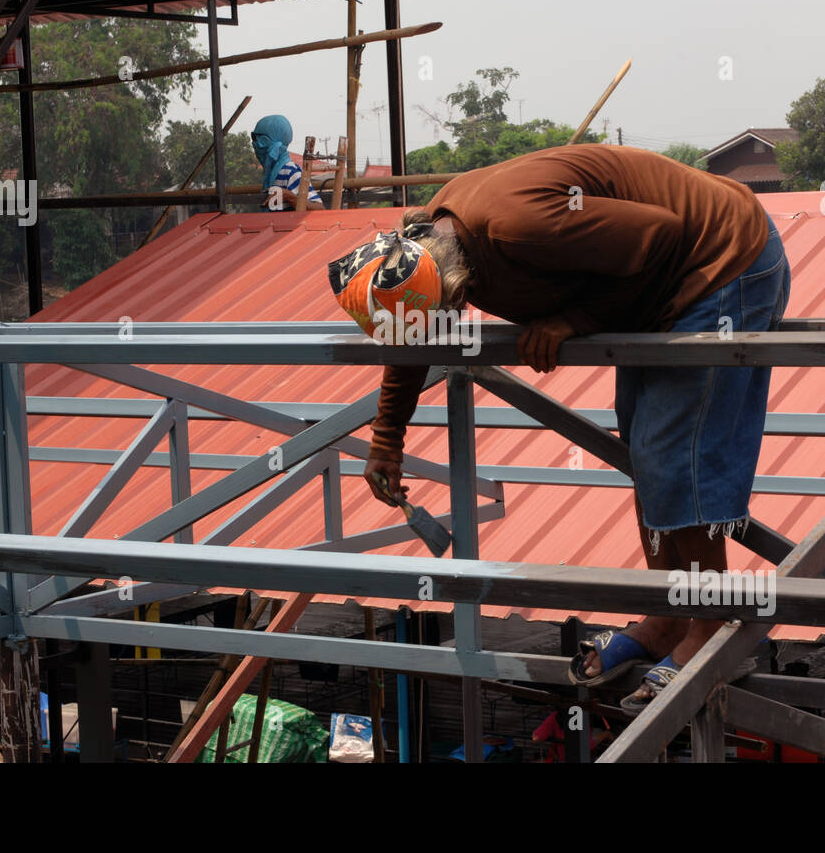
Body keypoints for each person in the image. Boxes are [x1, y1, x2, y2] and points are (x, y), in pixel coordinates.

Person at [327, 144, 791, 712]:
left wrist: (574, 321)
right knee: (647, 452)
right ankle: (669, 614)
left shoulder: (523, 228)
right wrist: (386, 440)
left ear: (442, 283)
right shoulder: (430, 241)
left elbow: (663, 235)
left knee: (679, 454)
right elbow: (414, 335)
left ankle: (712, 624)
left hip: (721, 260)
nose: (449, 321)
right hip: (653, 288)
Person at [251, 114, 324, 211]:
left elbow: (320, 209)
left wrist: (290, 197)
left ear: (265, 141)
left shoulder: (290, 172)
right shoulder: (272, 173)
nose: (254, 143)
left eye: (256, 138)